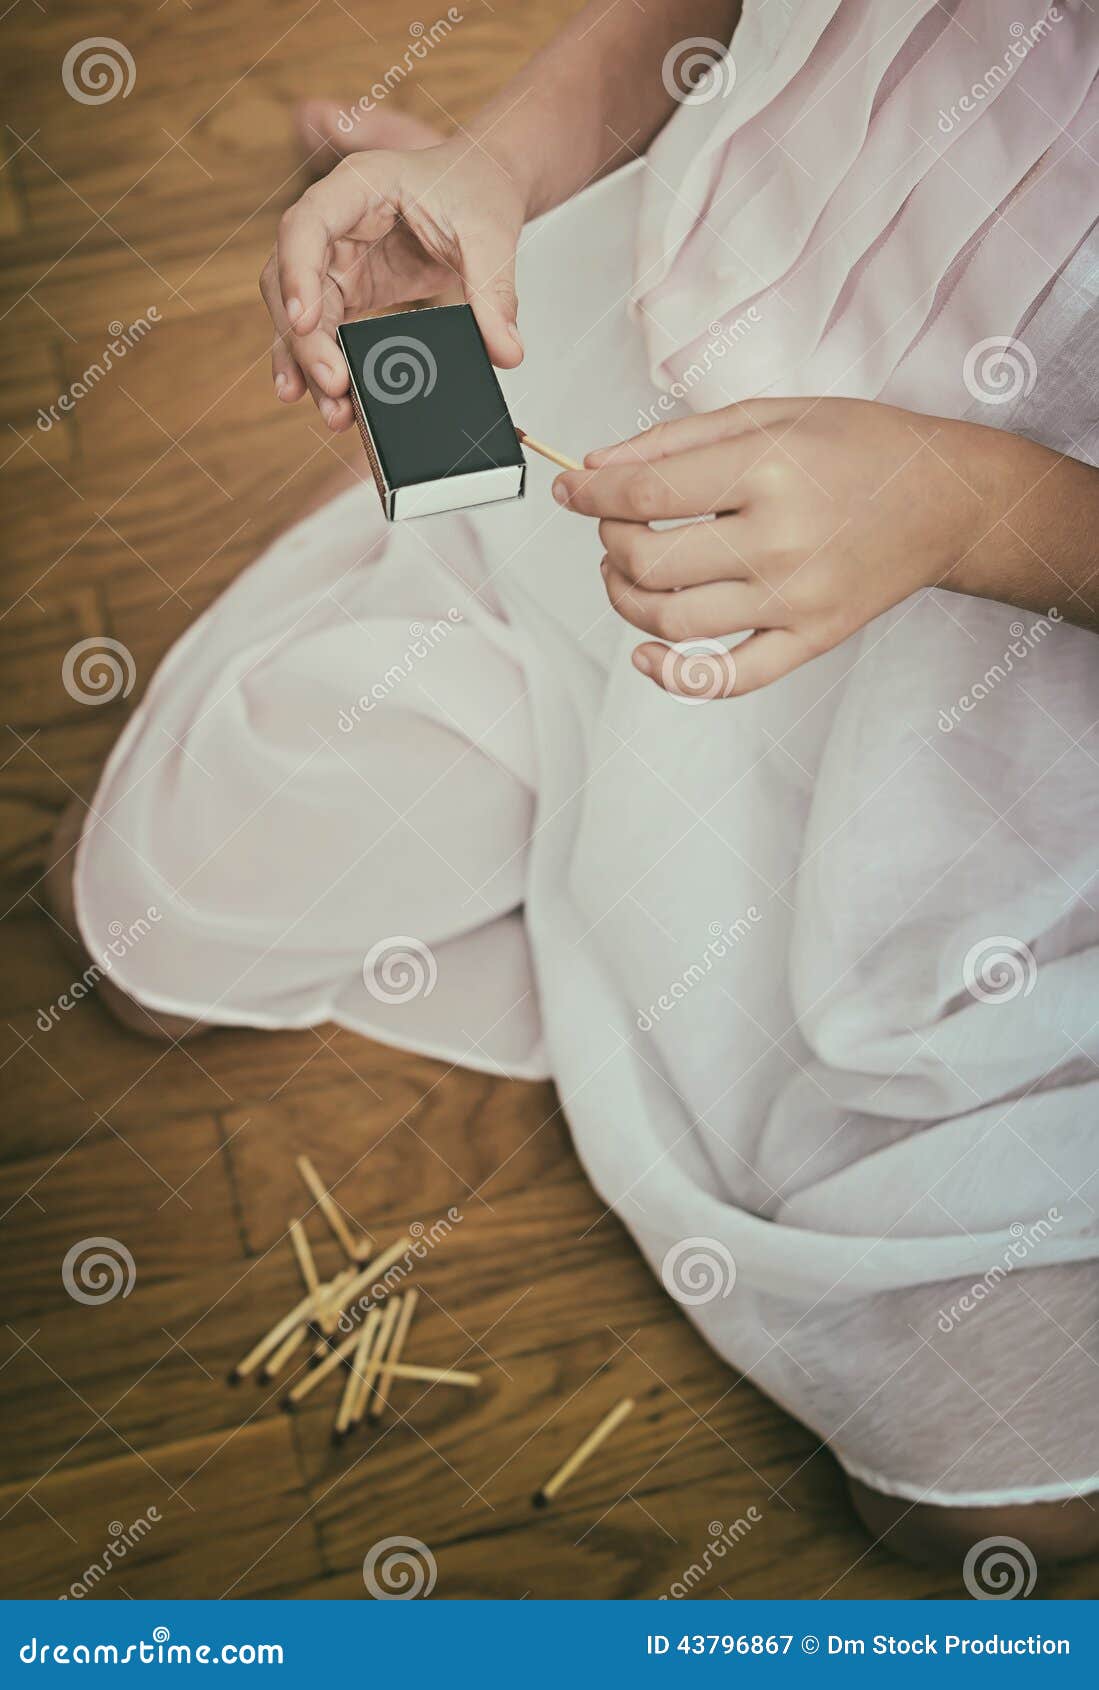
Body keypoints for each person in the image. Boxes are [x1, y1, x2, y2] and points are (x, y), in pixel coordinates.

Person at [52, 0, 1099, 1571]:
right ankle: (580, 793)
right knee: (130, 932)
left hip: (986, 763)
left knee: (976, 1510)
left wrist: (966, 505)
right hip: (612, 479)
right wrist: (499, 164)